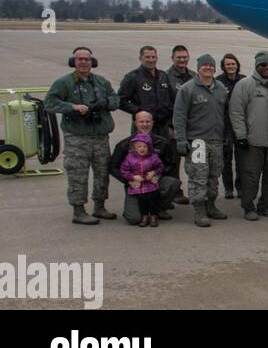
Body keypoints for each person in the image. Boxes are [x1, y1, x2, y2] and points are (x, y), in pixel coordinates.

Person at [46, 46, 120, 224]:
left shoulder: (102, 82)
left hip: (100, 137)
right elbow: (50, 102)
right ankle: (78, 211)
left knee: (102, 173)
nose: (84, 62)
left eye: (87, 59)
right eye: (80, 59)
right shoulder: (64, 83)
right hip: (77, 137)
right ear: (74, 62)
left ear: (92, 62)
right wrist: (72, 107)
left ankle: (99, 207)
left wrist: (105, 103)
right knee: (78, 174)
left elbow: (116, 100)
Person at [228, 51, 268, 220]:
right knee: (251, 177)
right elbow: (236, 112)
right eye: (263, 65)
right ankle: (249, 207)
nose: (267, 68)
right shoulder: (244, 85)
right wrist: (241, 136)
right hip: (252, 142)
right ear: (257, 66)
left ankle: (266, 205)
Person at [173, 54, 229, 227]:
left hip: (216, 140)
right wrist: (181, 140)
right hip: (197, 142)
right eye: (204, 65)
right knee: (198, 176)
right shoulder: (187, 89)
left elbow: (225, 115)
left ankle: (210, 205)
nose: (208, 68)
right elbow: (180, 116)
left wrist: (226, 136)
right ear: (198, 68)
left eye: (211, 66)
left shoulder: (221, 88)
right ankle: (199, 210)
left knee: (214, 175)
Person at [109, 111, 182, 224]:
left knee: (173, 183)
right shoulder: (124, 144)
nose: (145, 124)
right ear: (135, 123)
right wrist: (129, 180)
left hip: (154, 183)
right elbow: (113, 167)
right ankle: (138, 210)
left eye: (148, 121)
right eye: (141, 122)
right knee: (134, 219)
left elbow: (170, 164)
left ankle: (158, 209)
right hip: (135, 185)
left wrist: (158, 174)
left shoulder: (162, 143)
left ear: (152, 123)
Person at [118, 45, 175, 135]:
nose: (151, 60)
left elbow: (171, 99)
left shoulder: (163, 76)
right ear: (140, 58)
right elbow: (120, 100)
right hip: (143, 126)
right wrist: (139, 112)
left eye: (153, 57)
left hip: (163, 126)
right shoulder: (133, 77)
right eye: (147, 57)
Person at [216, 53, 244, 200]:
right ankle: (228, 188)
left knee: (241, 159)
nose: (231, 66)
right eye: (228, 64)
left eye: (233, 64)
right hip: (225, 126)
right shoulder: (218, 82)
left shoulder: (244, 80)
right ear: (223, 66)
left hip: (239, 125)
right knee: (226, 160)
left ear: (237, 65)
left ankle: (240, 187)